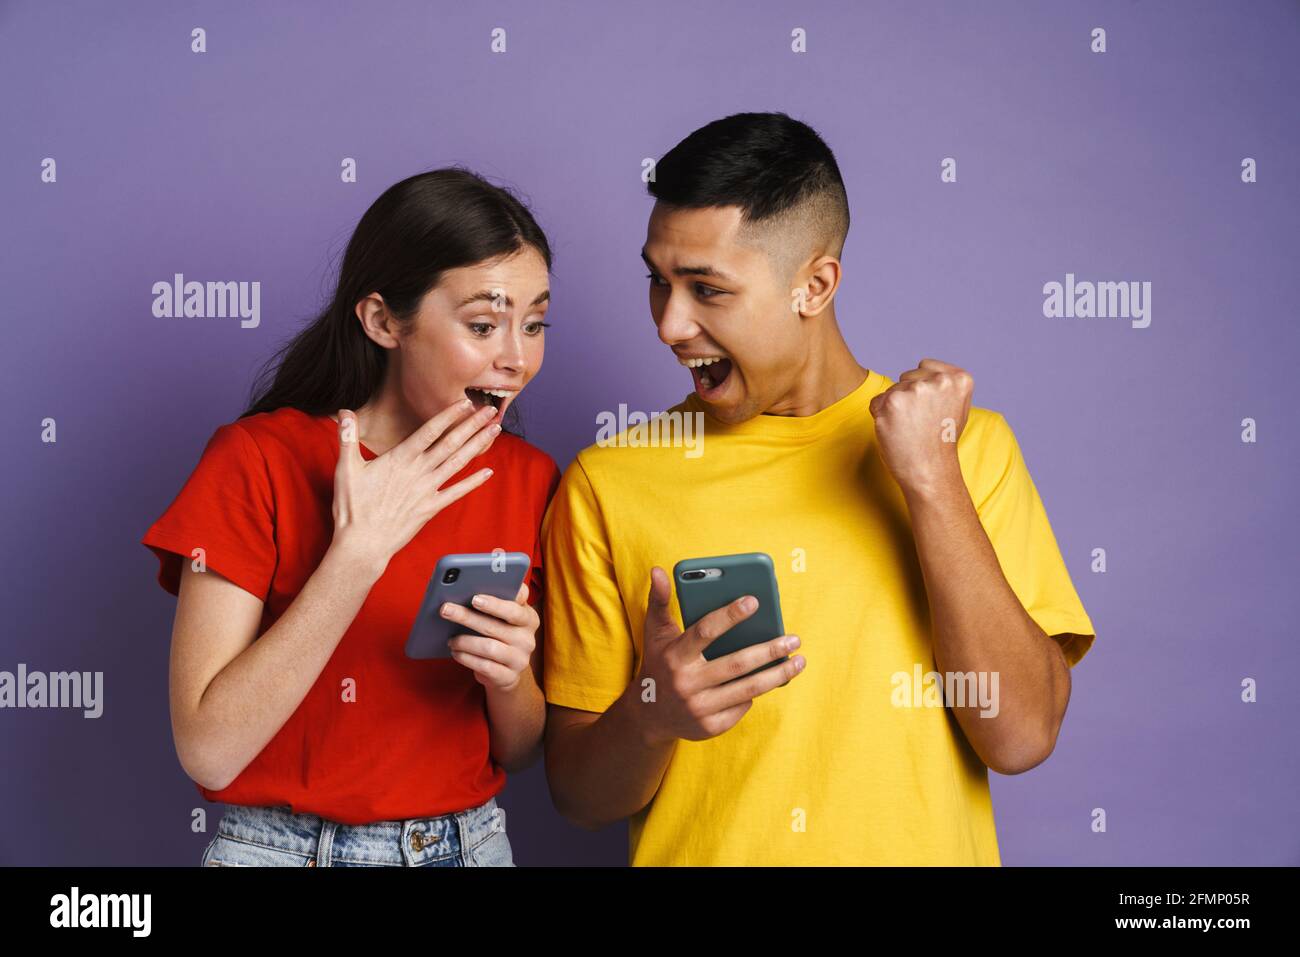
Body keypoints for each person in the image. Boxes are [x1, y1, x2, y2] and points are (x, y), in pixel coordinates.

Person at [540, 112, 1097, 865]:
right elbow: (576, 797)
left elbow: (1021, 734)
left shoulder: (963, 446)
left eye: (706, 288)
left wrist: (930, 480)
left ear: (815, 284)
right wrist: (652, 714)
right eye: (658, 281)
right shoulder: (607, 483)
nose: (670, 323)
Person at [141, 168, 560, 866]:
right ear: (382, 320)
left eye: (536, 322)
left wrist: (509, 676)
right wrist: (356, 556)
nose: (516, 358)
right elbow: (209, 750)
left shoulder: (530, 479)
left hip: (466, 844)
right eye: (484, 324)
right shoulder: (257, 460)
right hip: (280, 850)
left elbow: (517, 750)